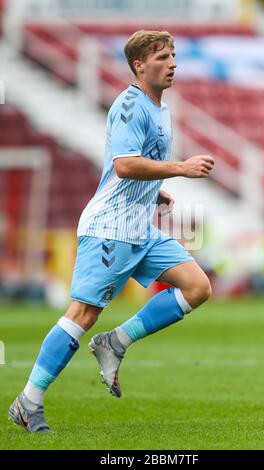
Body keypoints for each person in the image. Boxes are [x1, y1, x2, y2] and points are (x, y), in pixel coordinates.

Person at [8, 30, 214, 432]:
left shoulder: (161, 107)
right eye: (162, 58)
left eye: (173, 56)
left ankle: (115, 342)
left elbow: (136, 165)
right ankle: (27, 402)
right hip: (110, 229)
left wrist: (155, 192)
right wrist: (181, 168)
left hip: (140, 225)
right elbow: (123, 164)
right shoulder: (129, 104)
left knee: (197, 288)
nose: (172, 63)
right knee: (83, 313)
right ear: (139, 65)